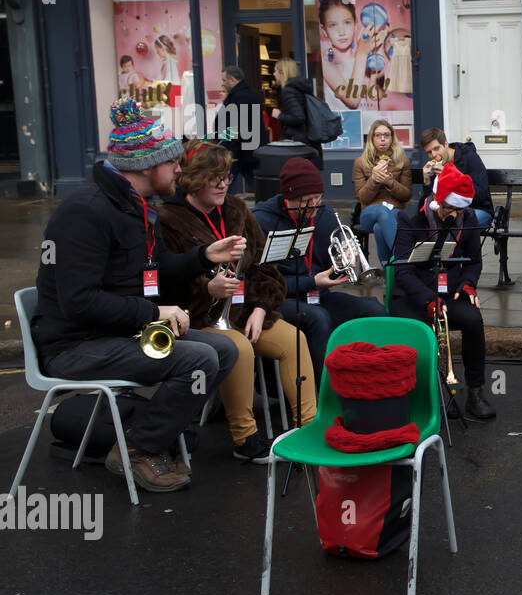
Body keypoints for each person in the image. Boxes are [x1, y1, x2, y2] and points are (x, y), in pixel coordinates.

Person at [32, 98, 239, 492]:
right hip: (75, 345)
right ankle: (140, 448)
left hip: (115, 333)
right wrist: (152, 312)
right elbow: (79, 301)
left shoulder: (138, 208)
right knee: (197, 358)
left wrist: (202, 256)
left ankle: (157, 434)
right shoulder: (86, 212)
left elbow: (155, 271)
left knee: (223, 349)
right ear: (146, 165)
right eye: (171, 161)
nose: (180, 169)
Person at [157, 141, 317, 462]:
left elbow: (265, 268)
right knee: (239, 349)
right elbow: (165, 285)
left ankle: (310, 428)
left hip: (245, 312)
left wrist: (260, 307)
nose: (222, 184)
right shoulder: (169, 219)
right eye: (213, 177)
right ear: (193, 178)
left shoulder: (236, 210)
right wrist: (207, 289)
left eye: (226, 177)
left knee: (294, 339)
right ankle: (245, 438)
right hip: (199, 318)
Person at [253, 157, 385, 385]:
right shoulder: (263, 221)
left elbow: (331, 267)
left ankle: (370, 385)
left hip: (317, 294)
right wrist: (312, 281)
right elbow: (262, 283)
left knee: (374, 309)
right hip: (280, 299)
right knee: (319, 319)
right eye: (307, 200)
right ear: (288, 198)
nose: (314, 204)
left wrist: (348, 259)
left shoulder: (323, 214)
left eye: (318, 197)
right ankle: (321, 395)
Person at [389, 163, 497, 420]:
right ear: (438, 202)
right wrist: (428, 300)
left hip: (450, 291)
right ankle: (419, 397)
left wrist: (467, 284)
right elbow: (403, 271)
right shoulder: (410, 220)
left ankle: (475, 391)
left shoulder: (467, 219)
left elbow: (474, 260)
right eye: (449, 209)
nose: (454, 215)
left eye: (459, 210)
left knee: (473, 320)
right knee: (415, 329)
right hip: (414, 294)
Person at [352, 119, 412, 264]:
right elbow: (362, 198)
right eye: (378, 135)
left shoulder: (402, 160)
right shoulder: (361, 162)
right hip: (369, 213)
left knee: (380, 228)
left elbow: (406, 196)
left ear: (392, 138)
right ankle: (404, 259)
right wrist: (374, 180)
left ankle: (388, 269)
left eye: (386, 135)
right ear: (372, 139)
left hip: (395, 210)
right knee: (381, 211)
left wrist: (389, 182)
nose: (383, 139)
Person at [317, 0, 389, 112]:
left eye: (347, 22)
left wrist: (376, 51)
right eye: (333, 25)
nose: (341, 32)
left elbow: (375, 95)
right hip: (338, 127)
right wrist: (362, 52)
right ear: (324, 30)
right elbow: (353, 101)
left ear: (355, 25)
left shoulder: (361, 56)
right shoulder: (326, 61)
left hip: (363, 125)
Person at [418, 127, 493, 232]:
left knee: (454, 225)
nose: (434, 155)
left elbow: (481, 194)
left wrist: (451, 177)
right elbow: (428, 204)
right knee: (421, 223)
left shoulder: (469, 157)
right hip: (445, 212)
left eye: (436, 148)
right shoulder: (435, 166)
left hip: (477, 209)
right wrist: (426, 181)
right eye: (429, 152)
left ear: (445, 144)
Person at [216, 66, 263, 193]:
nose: (223, 84)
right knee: (229, 183)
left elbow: (237, 126)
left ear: (232, 79)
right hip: (245, 150)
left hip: (242, 151)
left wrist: (233, 152)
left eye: (224, 80)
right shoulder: (244, 95)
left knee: (224, 185)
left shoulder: (240, 97)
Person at [270, 58, 322, 162]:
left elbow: (299, 117)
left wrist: (279, 115)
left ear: (282, 72)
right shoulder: (298, 88)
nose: (273, 74)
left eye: (275, 70)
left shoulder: (289, 91)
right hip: (306, 143)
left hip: (297, 144)